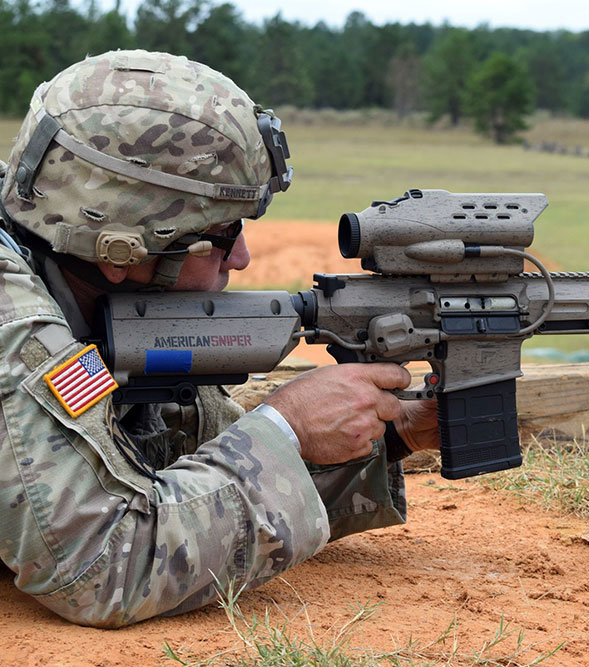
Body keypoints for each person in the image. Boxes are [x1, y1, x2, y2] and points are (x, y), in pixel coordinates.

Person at [0, 50, 439, 627]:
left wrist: (399, 432)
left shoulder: (78, 293)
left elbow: (175, 469)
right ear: (122, 247)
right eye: (222, 234)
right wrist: (288, 428)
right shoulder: (15, 329)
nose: (244, 257)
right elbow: (102, 565)